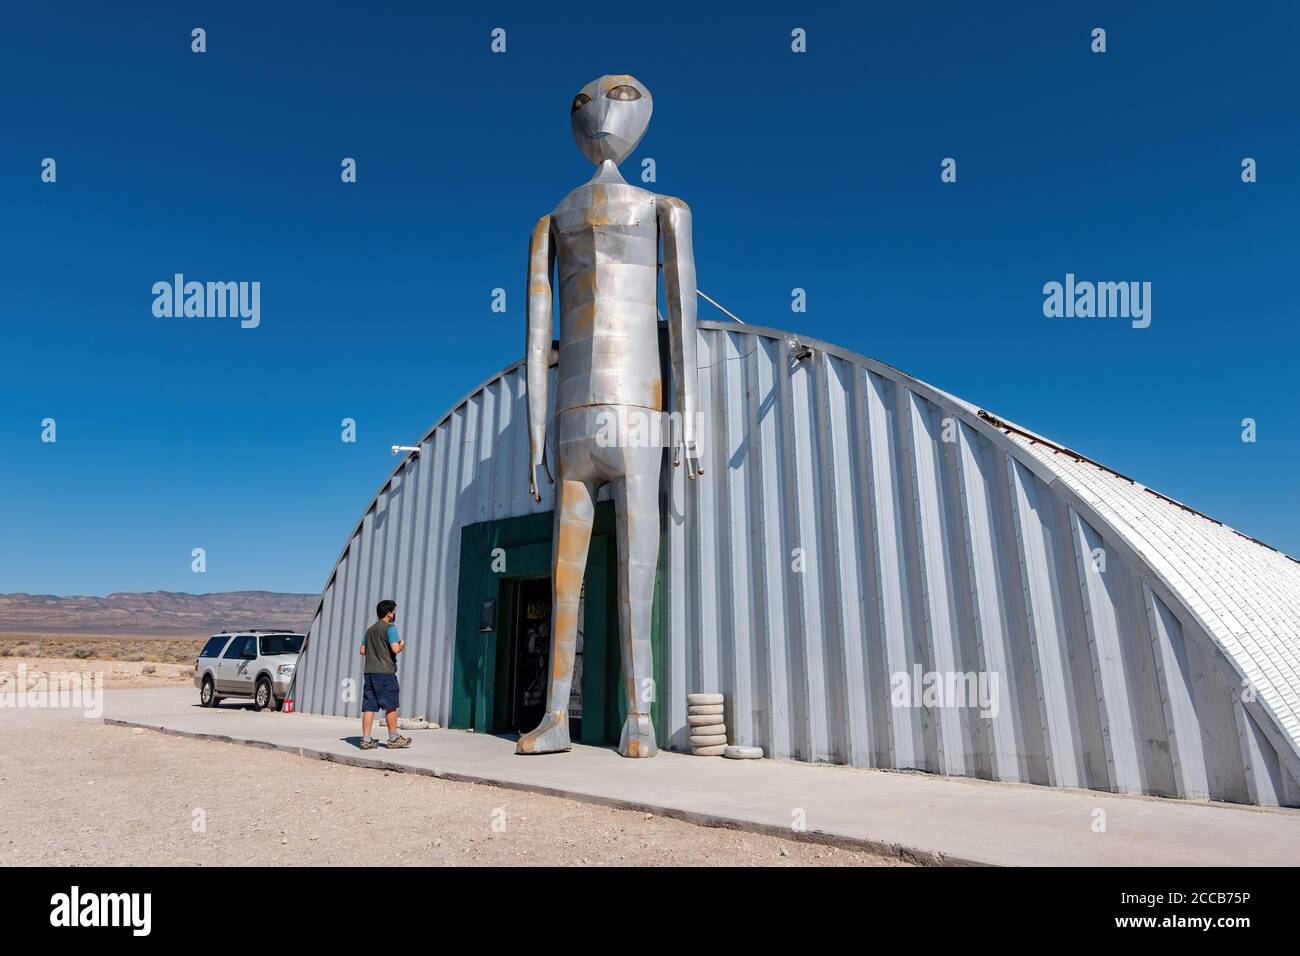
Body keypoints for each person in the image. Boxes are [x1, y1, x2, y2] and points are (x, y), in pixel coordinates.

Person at [359, 599, 410, 749]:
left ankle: (366, 740)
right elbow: (395, 649)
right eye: (393, 612)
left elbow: (362, 650)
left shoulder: (370, 630)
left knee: (369, 707)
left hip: (369, 672)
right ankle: (393, 739)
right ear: (389, 614)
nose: (394, 614)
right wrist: (402, 644)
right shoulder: (390, 628)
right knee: (391, 705)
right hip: (385, 673)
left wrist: (375, 652)